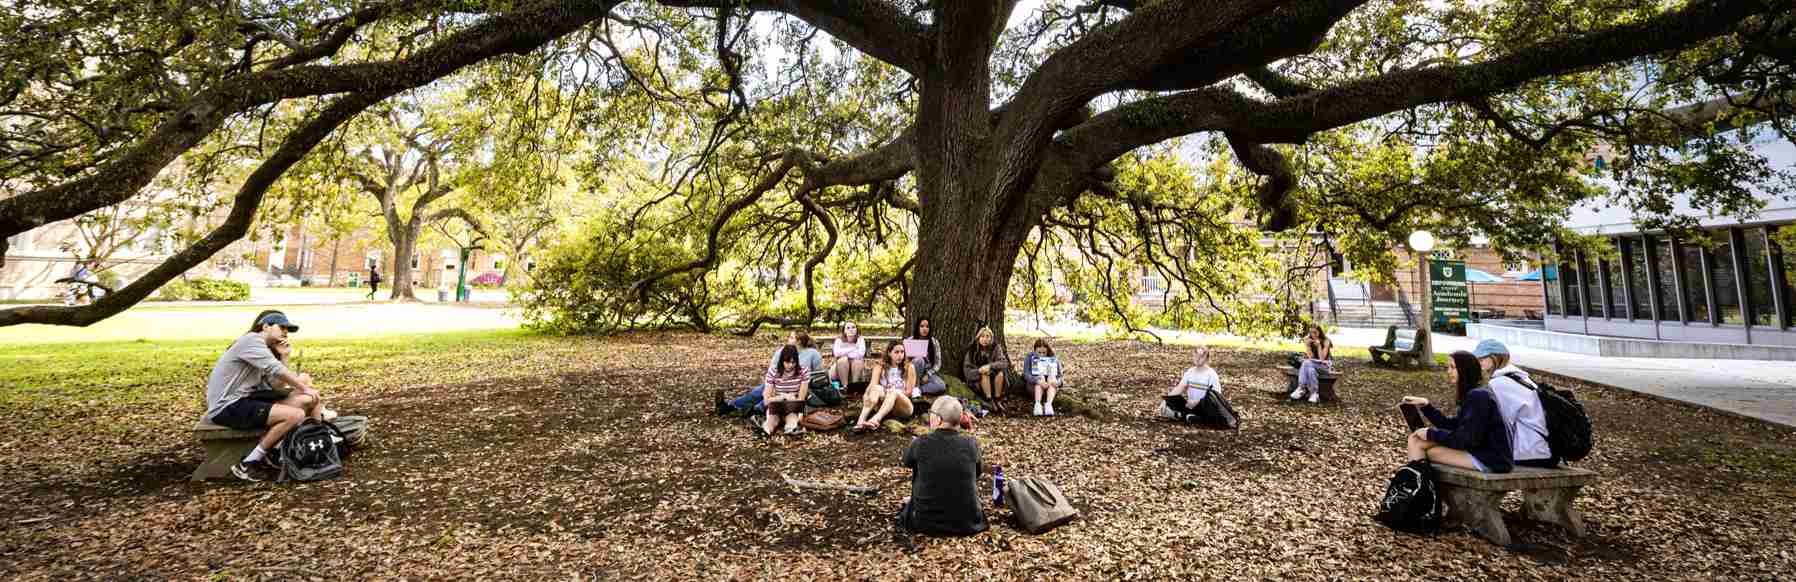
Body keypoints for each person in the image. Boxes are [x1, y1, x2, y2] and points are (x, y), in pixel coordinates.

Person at [202, 310, 323, 481]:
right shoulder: (251, 340)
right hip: (228, 407)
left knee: (309, 400)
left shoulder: (263, 349)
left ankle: (319, 443)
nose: (285, 332)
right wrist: (303, 386)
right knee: (295, 414)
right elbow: (276, 370)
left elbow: (276, 384)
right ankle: (249, 463)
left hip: (245, 401)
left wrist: (284, 356)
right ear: (265, 326)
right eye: (282, 327)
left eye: (287, 329)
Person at [1400, 350, 1513, 473]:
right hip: (1478, 450)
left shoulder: (1478, 396)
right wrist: (1426, 406)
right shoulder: (1474, 393)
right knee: (1416, 440)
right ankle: (1417, 486)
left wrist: (1431, 434)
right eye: (1448, 367)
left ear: (1465, 370)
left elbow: (1465, 439)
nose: (1448, 372)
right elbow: (1453, 425)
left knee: (1427, 451)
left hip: (1491, 459)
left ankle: (1418, 488)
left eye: (1453, 367)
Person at [896, 396, 987, 538]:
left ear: (938, 419)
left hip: (924, 523)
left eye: (931, 413)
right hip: (968, 522)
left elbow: (907, 462)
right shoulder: (971, 444)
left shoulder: (920, 443)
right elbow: (978, 472)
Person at [1473, 339, 1557, 467]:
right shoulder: (1521, 377)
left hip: (1530, 452)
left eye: (1482, 358)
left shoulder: (1499, 383)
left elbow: (1501, 422)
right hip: (1546, 449)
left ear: (1495, 358)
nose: (1478, 362)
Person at [714, 330, 817, 415]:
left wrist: (802, 383)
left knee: (765, 398)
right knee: (759, 392)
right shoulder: (781, 352)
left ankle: (748, 410)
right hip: (779, 382)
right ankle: (730, 406)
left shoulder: (812, 353)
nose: (788, 339)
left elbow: (819, 374)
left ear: (798, 341)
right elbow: (773, 370)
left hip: (800, 385)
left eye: (791, 337)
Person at [856, 342, 917, 430]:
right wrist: (866, 395)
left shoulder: (909, 367)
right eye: (896, 352)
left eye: (902, 352)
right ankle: (860, 421)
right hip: (884, 405)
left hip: (903, 407)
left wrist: (891, 392)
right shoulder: (880, 366)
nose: (900, 355)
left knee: (893, 391)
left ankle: (875, 420)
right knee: (876, 388)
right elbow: (872, 385)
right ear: (889, 353)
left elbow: (909, 392)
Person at [760, 345, 812, 435]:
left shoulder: (803, 371)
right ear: (781, 360)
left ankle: (791, 429)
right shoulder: (773, 371)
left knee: (792, 418)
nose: (790, 365)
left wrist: (792, 399)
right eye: (787, 362)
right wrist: (784, 396)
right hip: (777, 404)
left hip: (793, 406)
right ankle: (766, 431)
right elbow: (766, 400)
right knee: (772, 419)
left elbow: (801, 399)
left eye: (793, 362)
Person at [1160, 347, 1222, 421]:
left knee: (1210, 410)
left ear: (1207, 359)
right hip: (1190, 405)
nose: (1197, 359)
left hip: (1204, 406)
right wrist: (1166, 400)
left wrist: (1197, 402)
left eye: (1201, 356)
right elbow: (1180, 388)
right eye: (1196, 356)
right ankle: (1187, 416)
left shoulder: (1211, 374)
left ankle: (1189, 417)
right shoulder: (1190, 372)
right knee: (1171, 404)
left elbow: (1215, 397)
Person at [961, 326, 1010, 414]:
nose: (985, 339)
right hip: (979, 381)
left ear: (991, 338)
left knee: (1000, 373)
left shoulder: (996, 348)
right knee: (984, 373)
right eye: (982, 336)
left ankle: (997, 400)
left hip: (995, 379)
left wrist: (990, 366)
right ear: (978, 338)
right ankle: (989, 400)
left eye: (988, 336)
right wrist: (979, 371)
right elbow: (967, 372)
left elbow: (1004, 363)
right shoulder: (972, 351)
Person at [1021, 338, 1064, 417]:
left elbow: (1060, 376)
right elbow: (1026, 374)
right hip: (1034, 386)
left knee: (1052, 377)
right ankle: (1037, 405)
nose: (1041, 355)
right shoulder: (1030, 357)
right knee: (1040, 377)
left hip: (1051, 386)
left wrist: (1057, 382)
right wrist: (1037, 381)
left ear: (1047, 351)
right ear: (1034, 351)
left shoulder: (1053, 358)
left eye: (1044, 352)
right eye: (1039, 352)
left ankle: (1048, 405)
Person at [1290, 324, 1332, 403]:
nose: (1313, 335)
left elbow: (1322, 359)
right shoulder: (1309, 339)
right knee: (1311, 370)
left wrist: (1319, 346)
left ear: (1320, 332)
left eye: (1315, 332)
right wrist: (1308, 346)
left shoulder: (1326, 341)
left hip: (1324, 366)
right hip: (1313, 365)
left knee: (1306, 363)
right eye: (1311, 332)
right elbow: (1311, 357)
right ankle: (1314, 394)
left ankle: (1301, 388)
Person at [906, 317, 947, 395]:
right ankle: (914, 386)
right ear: (918, 327)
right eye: (922, 326)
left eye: (927, 326)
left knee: (941, 386)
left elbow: (938, 364)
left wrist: (928, 374)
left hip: (927, 373)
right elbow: (905, 360)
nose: (924, 329)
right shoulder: (910, 340)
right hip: (913, 372)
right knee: (919, 359)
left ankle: (918, 390)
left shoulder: (934, 342)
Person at [830, 321, 871, 387]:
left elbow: (860, 354)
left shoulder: (860, 339)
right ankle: (845, 387)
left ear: (857, 329)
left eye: (853, 327)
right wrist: (854, 348)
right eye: (848, 328)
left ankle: (853, 386)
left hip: (855, 365)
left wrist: (844, 352)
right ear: (844, 331)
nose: (851, 329)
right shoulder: (839, 340)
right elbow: (837, 353)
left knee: (857, 361)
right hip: (840, 366)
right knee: (843, 360)